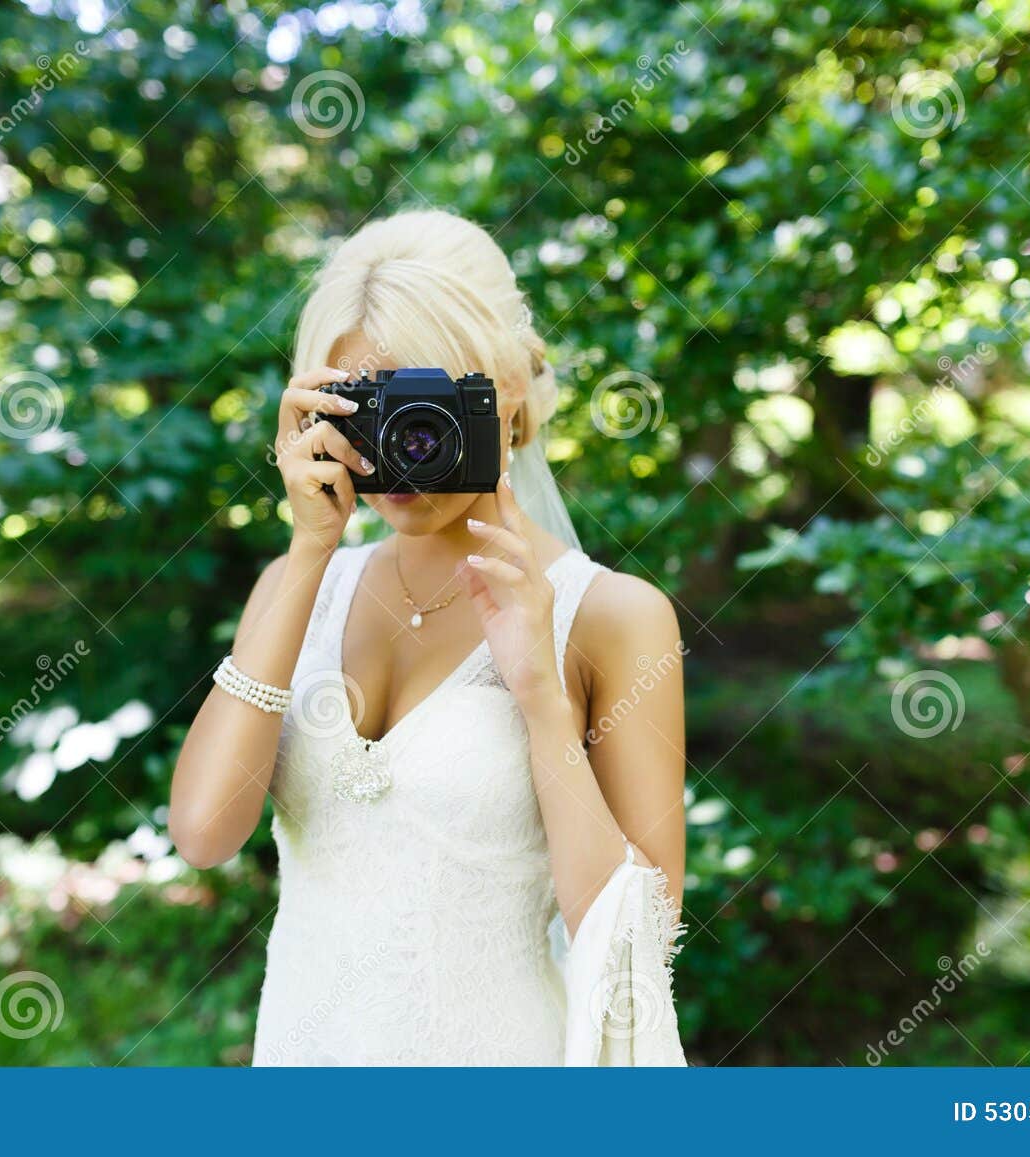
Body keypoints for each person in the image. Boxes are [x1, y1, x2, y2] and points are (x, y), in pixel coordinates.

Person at [169, 209, 687, 1065]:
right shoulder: (299, 587)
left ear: (506, 397)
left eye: (425, 407)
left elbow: (639, 946)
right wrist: (307, 553)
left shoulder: (614, 616)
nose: (398, 447)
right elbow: (202, 833)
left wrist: (540, 698)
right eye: (361, 407)